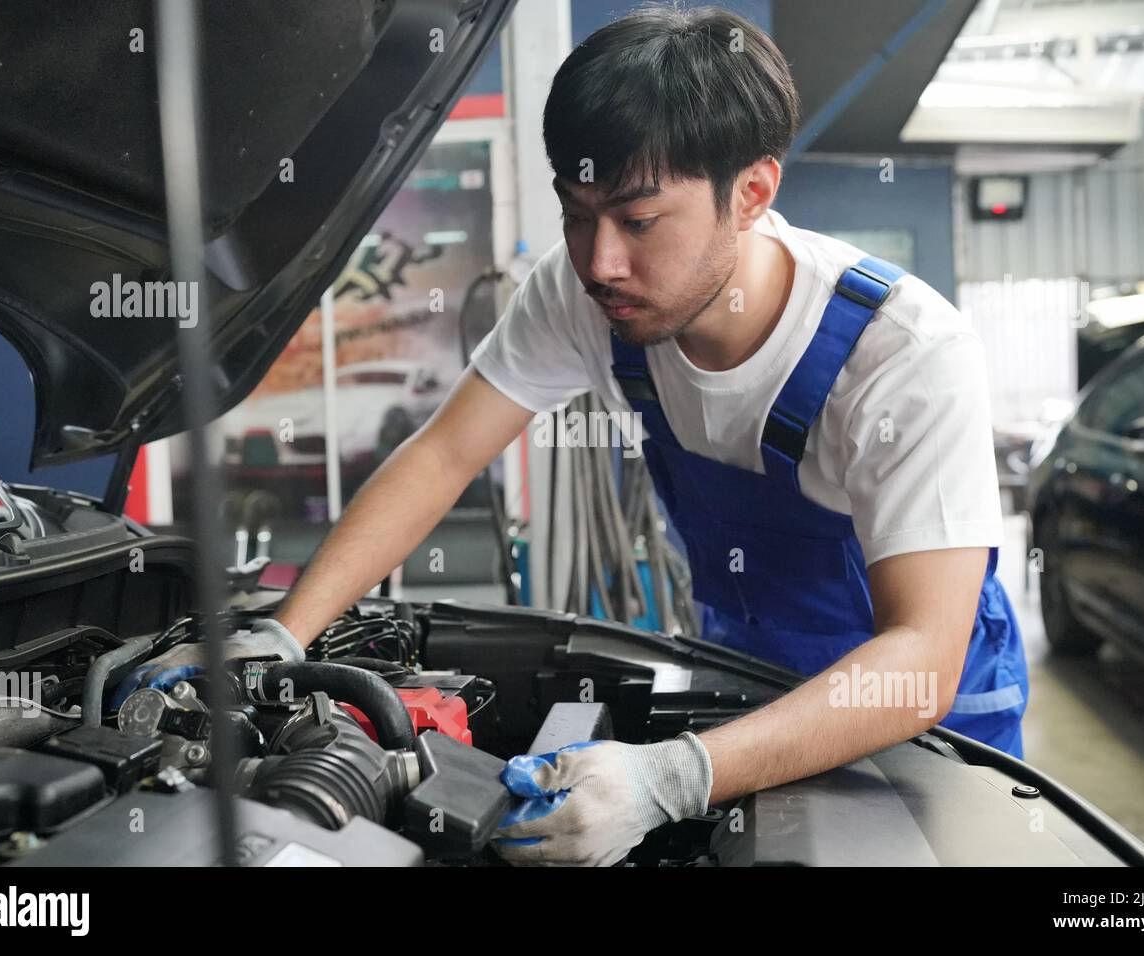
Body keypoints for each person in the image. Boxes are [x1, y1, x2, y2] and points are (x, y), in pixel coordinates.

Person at [134, 4, 1027, 867]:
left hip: (935, 733)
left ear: (752, 193)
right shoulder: (587, 294)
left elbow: (920, 659)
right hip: (758, 682)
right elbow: (446, 453)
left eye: (639, 221)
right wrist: (288, 634)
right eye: (575, 211)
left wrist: (671, 778)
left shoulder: (902, 355)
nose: (599, 262)